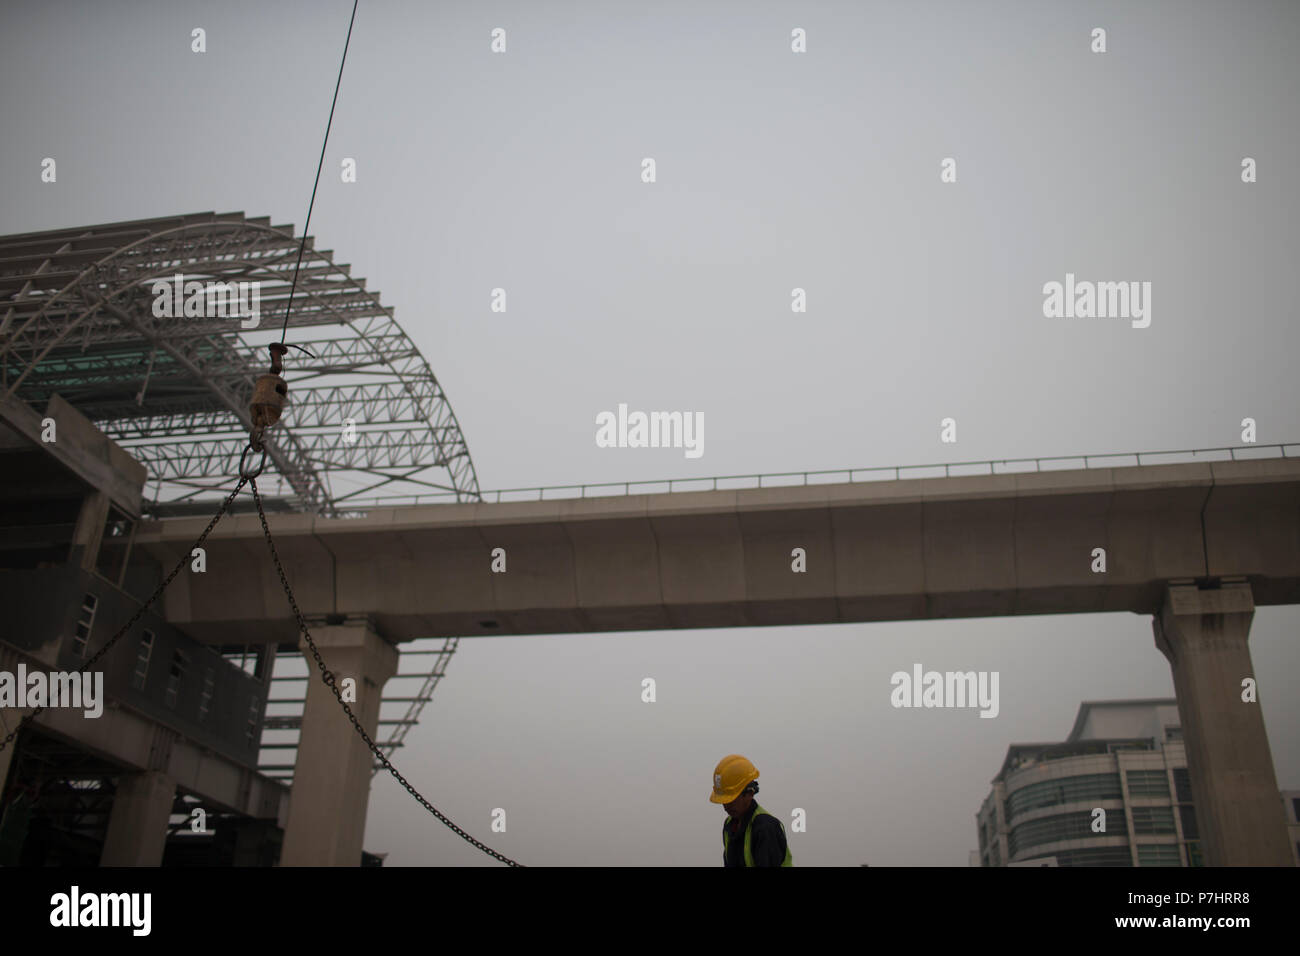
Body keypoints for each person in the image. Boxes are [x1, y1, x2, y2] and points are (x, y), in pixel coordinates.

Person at [709, 754, 792, 867]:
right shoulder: (730, 825)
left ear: (750, 794)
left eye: (731, 799)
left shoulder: (765, 828)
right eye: (724, 800)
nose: (726, 806)